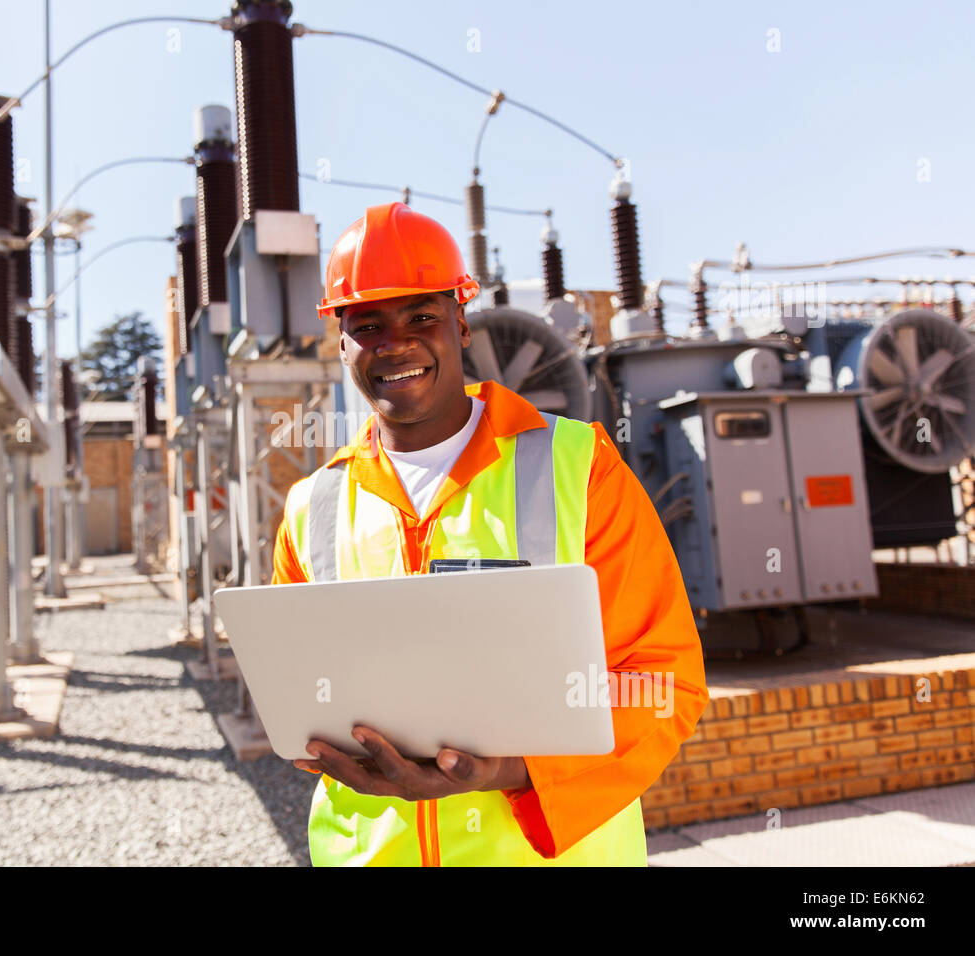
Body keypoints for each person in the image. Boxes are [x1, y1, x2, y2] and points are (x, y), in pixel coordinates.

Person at [270, 201, 708, 866]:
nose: (397, 343)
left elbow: (659, 682)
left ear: (461, 323)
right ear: (341, 343)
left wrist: (509, 769)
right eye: (369, 325)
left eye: (421, 317)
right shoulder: (312, 508)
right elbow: (299, 694)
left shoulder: (577, 468)